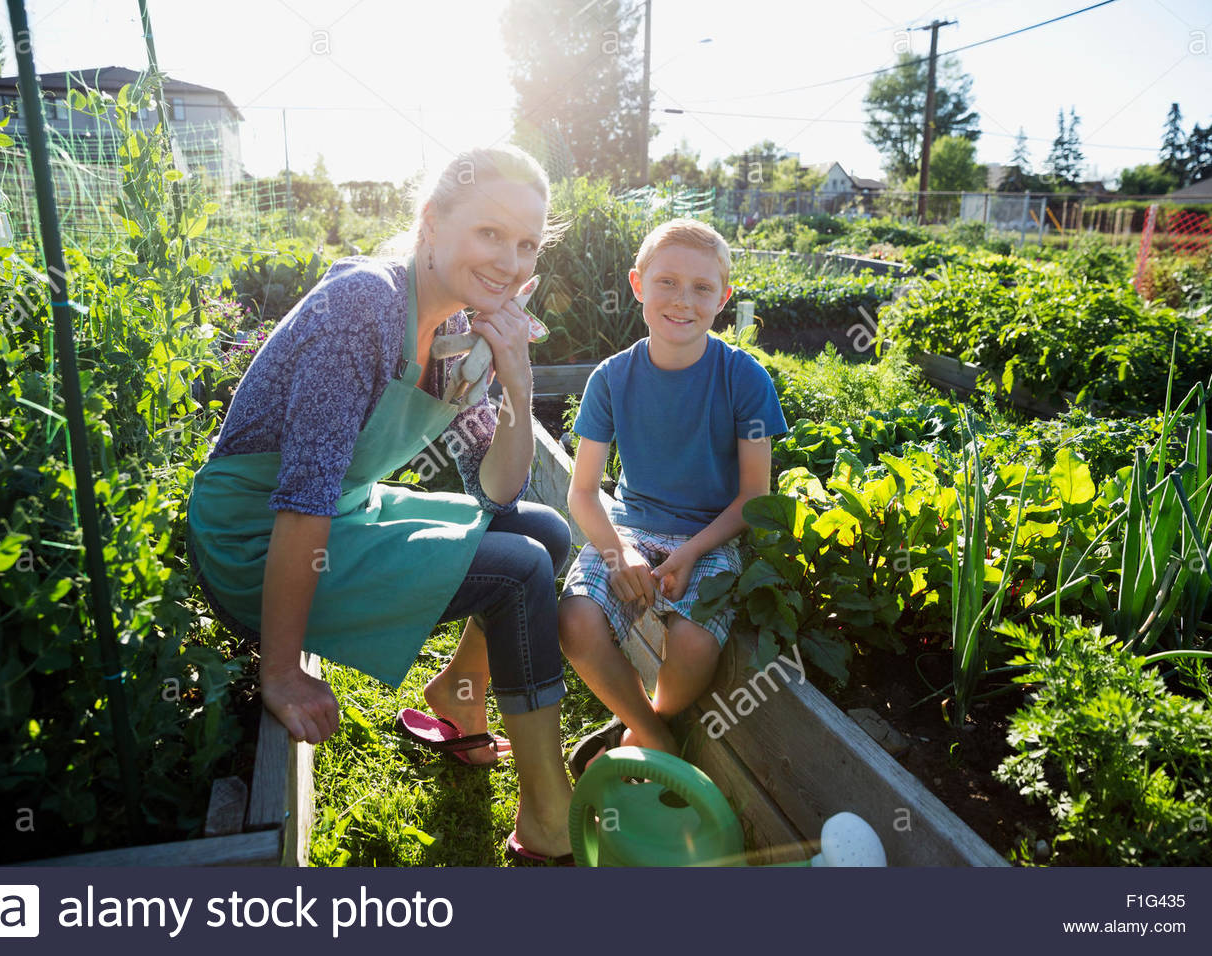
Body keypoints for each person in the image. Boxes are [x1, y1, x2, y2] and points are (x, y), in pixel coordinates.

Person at [186, 145, 573, 862]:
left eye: (525, 244)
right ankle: (552, 819)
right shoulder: (361, 310)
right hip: (255, 542)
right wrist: (280, 671)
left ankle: (459, 695)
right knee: (520, 572)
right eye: (490, 233)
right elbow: (300, 499)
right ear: (431, 223)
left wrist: (518, 385)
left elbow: (497, 490)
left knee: (544, 533)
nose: (512, 262)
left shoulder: (460, 334)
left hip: (341, 513)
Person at [558, 218, 788, 774]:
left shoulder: (745, 378)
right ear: (637, 285)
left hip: (711, 536)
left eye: (703, 288)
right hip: (630, 527)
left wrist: (689, 554)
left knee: (693, 647)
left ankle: (641, 724)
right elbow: (584, 493)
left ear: (724, 298)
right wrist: (619, 553)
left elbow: (753, 497)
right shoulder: (611, 379)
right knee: (576, 622)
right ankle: (658, 738)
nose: (683, 300)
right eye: (666, 282)